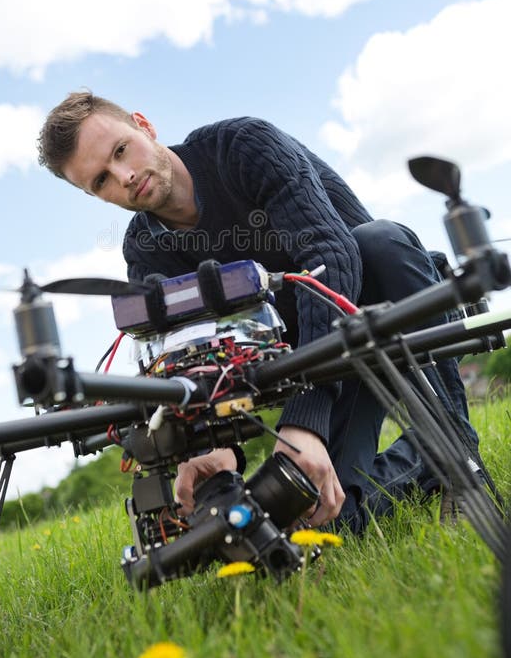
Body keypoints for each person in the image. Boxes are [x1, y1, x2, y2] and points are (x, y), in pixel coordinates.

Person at [37, 91, 479, 532]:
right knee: (325, 517)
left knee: (377, 240)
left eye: (120, 150)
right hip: (322, 364)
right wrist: (210, 446)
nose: (125, 175)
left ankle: (462, 467)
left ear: (144, 126)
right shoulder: (143, 249)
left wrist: (304, 420)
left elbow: (332, 254)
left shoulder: (244, 146)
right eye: (101, 181)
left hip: (384, 309)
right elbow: (188, 354)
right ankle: (428, 460)